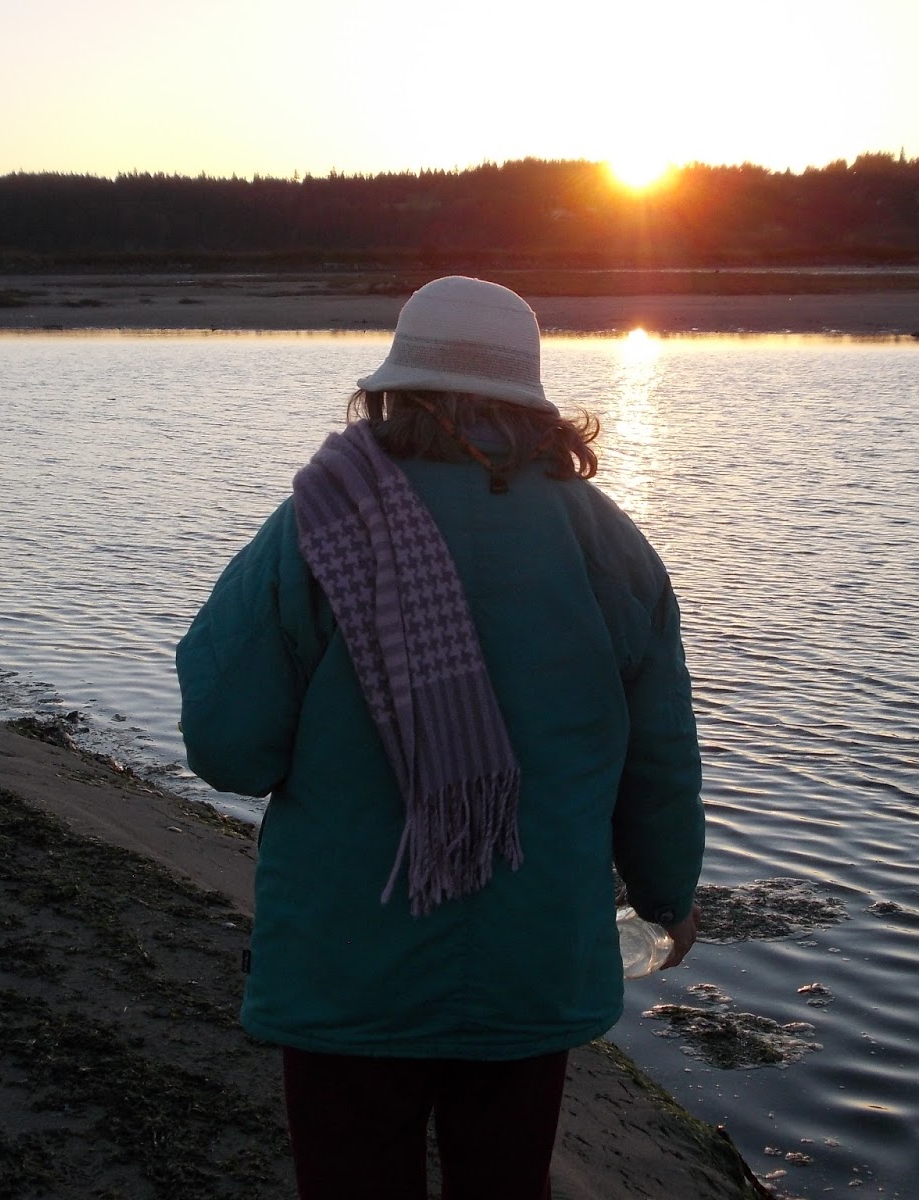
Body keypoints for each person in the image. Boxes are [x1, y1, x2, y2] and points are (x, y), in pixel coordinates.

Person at [175, 275, 703, 1199]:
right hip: (531, 958)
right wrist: (669, 894)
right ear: (533, 402)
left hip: (348, 956)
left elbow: (230, 747)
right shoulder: (612, 545)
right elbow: (658, 760)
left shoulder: (316, 525)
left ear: (394, 388)